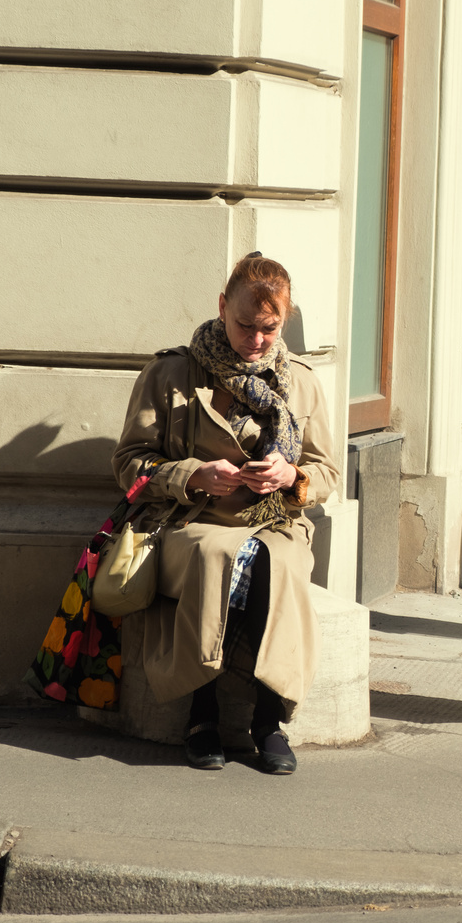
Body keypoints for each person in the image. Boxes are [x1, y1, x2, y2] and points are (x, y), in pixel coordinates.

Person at [112, 253, 338, 773]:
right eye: (244, 325)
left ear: (285, 320)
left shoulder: (300, 381)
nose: (256, 340)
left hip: (274, 522)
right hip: (190, 523)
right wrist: (192, 475)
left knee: (275, 562)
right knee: (217, 555)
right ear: (221, 307)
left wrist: (291, 477)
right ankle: (203, 712)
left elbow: (325, 472)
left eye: (270, 328)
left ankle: (268, 718)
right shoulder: (171, 372)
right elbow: (128, 464)